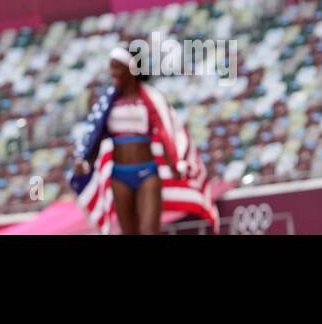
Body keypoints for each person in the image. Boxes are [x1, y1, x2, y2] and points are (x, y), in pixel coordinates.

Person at [70, 46, 218, 235]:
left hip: (147, 172)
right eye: (111, 67)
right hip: (119, 175)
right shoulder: (107, 101)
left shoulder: (151, 97)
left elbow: (165, 131)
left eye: (116, 68)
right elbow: (95, 137)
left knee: (150, 230)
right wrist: (86, 162)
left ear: (130, 69)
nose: (112, 73)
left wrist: (175, 163)